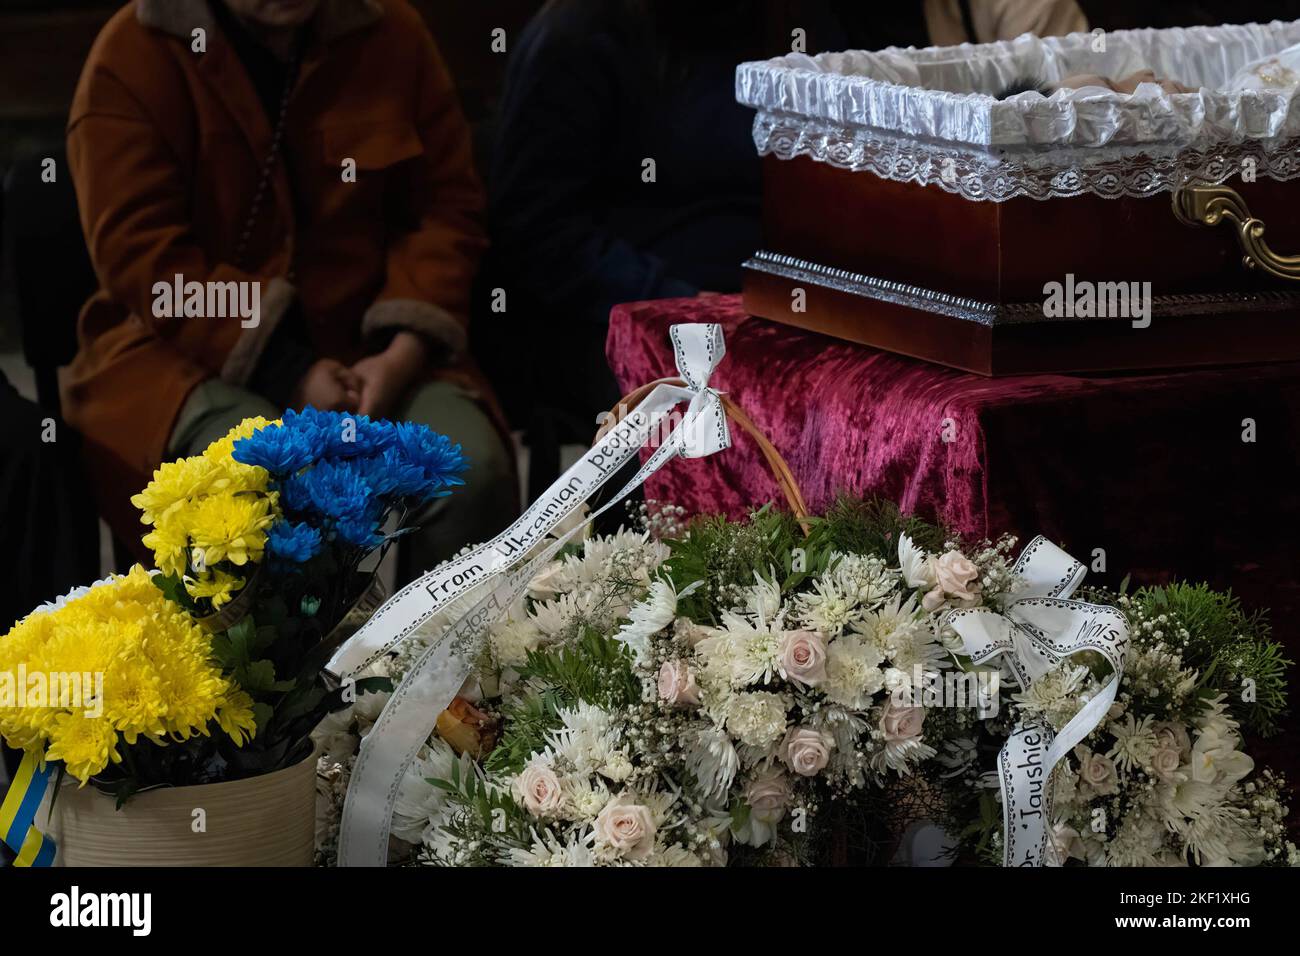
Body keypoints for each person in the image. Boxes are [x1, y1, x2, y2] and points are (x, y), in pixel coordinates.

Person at [480, 0, 1086, 497]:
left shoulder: (800, 19)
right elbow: (537, 224)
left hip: (791, 300)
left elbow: (839, 169)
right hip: (645, 313)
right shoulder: (578, 33)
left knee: (926, 404)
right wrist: (679, 301)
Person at [62, 0, 518, 574]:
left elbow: (446, 212)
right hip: (178, 354)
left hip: (375, 352)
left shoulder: (393, 32)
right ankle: (279, 666)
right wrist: (288, 369)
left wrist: (403, 351)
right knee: (262, 494)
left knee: (472, 474)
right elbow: (142, 259)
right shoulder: (134, 51)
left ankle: (444, 665)